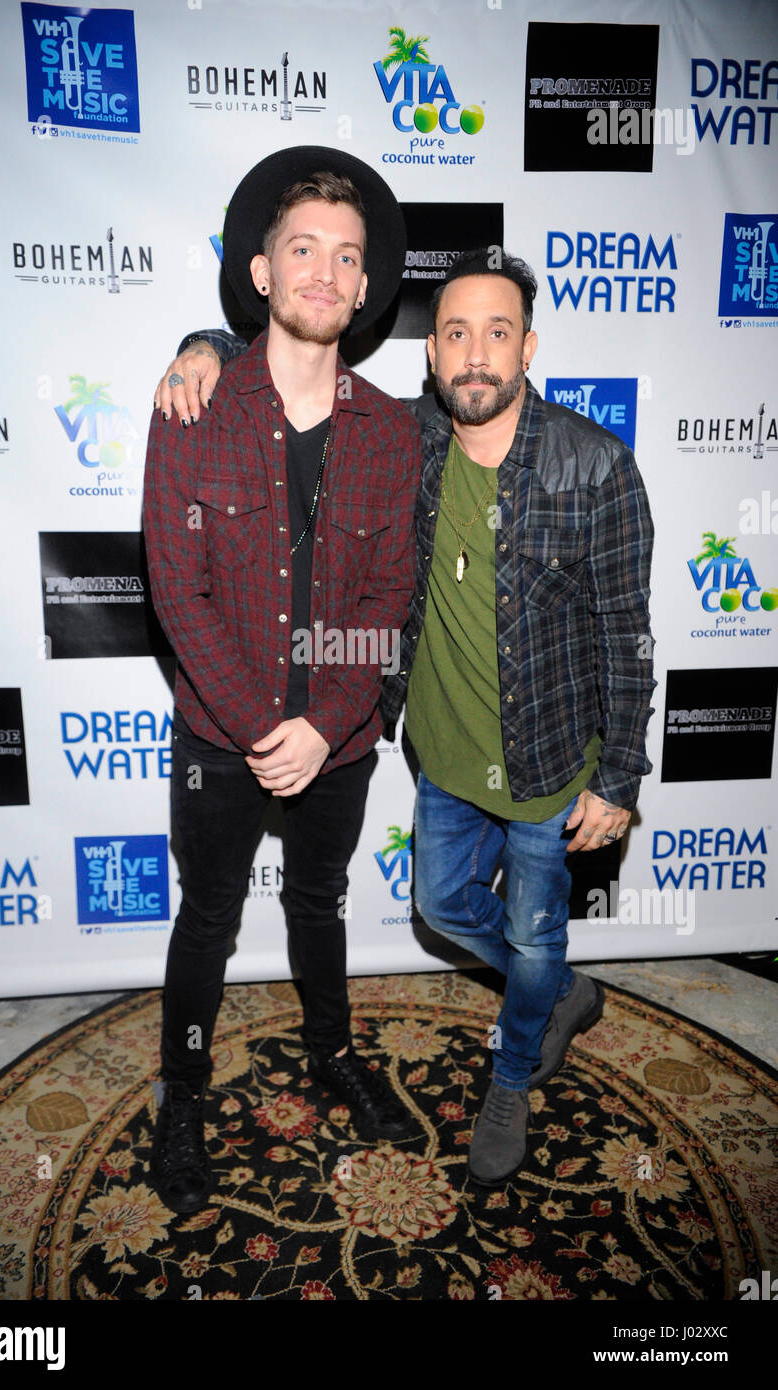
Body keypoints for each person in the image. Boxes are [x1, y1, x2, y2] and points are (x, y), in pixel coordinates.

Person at [154, 246, 655, 1188]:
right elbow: (297, 357)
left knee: (535, 938)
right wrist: (201, 345)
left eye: (496, 334)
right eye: (454, 333)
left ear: (528, 347)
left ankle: (512, 1076)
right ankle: (560, 995)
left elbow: (628, 633)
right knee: (439, 906)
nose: (474, 355)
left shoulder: (596, 468)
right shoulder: (406, 439)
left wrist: (620, 775)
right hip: (447, 759)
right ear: (431, 357)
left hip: (553, 761)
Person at [143, 146, 421, 1215]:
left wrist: (326, 724)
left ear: (363, 287)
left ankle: (332, 1052)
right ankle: (185, 1089)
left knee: (320, 900)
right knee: (207, 917)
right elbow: (178, 592)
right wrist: (271, 727)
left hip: (341, 741)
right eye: (302, 248)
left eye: (345, 257)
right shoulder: (191, 405)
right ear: (261, 272)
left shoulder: (391, 430)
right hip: (223, 736)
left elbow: (387, 598)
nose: (323, 271)